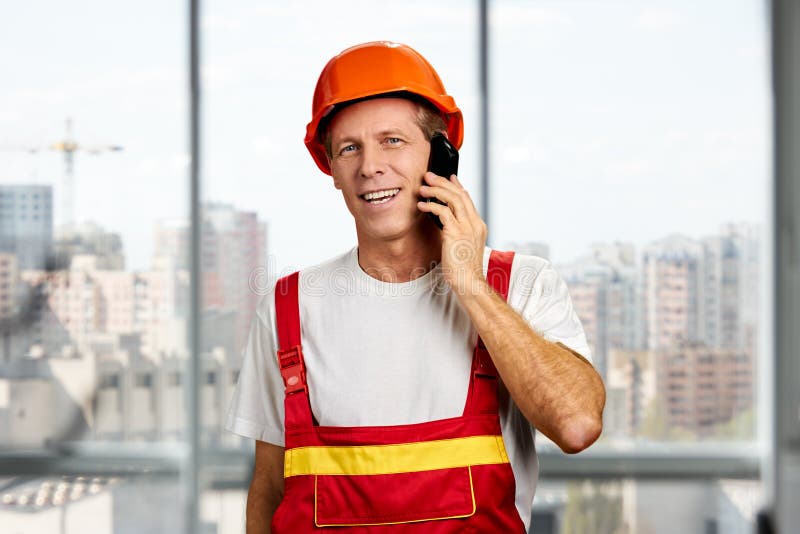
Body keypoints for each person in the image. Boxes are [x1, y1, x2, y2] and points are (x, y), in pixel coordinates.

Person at [225, 41, 605, 533]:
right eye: (349, 148)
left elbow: (577, 425)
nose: (369, 167)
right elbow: (270, 492)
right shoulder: (287, 308)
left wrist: (469, 283)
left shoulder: (522, 285)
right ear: (332, 170)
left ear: (442, 155)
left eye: (393, 141)